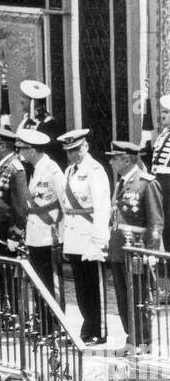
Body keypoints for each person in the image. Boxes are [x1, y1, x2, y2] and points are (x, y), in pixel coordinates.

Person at [105, 140, 164, 350]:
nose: (111, 162)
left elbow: (156, 221)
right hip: (119, 249)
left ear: (128, 159)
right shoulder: (121, 182)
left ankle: (144, 341)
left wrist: (151, 251)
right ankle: (132, 339)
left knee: (138, 297)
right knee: (123, 298)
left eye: (115, 158)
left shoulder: (146, 183)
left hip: (137, 250)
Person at [60, 128, 110, 343]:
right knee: (80, 286)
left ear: (86, 147)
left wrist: (99, 240)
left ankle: (99, 329)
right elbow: (65, 206)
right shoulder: (70, 170)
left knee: (94, 286)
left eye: (76, 150)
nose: (73, 155)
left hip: (89, 236)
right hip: (73, 236)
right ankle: (87, 326)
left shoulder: (95, 170)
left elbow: (101, 206)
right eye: (69, 151)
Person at [18, 127, 64, 305]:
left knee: (51, 281)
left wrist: (62, 233)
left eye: (22, 149)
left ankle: (56, 324)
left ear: (31, 150)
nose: (20, 152)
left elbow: (64, 202)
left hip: (49, 234)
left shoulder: (52, 170)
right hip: (35, 233)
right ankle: (43, 322)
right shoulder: (34, 169)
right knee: (38, 280)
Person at [0, 122, 28, 252]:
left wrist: (15, 234)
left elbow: (20, 207)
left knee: (4, 265)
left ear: (2, 146)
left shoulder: (15, 169)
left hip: (5, 225)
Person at [148, 93, 170, 246]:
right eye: (162, 111)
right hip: (158, 183)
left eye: (167, 112)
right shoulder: (163, 134)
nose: (162, 115)